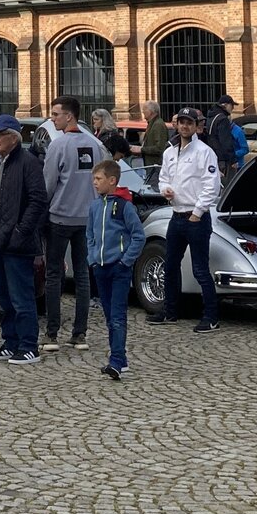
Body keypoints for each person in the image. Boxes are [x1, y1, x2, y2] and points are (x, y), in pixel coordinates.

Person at [0, 115, 45, 364]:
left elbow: (39, 199)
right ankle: (11, 341)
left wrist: (21, 232)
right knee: (5, 296)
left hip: (17, 241)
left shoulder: (27, 162)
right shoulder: (2, 161)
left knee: (21, 297)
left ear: (13, 137)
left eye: (0, 133)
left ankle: (28, 345)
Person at [150, 107, 220, 332]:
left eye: (189, 123)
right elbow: (163, 179)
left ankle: (210, 316)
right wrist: (166, 190)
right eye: (181, 122)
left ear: (196, 125)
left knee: (200, 269)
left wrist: (197, 213)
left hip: (196, 217)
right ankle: (170, 311)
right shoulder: (170, 152)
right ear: (176, 124)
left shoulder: (204, 151)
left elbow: (212, 185)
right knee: (169, 265)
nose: (185, 126)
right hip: (176, 214)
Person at [40, 98, 102, 351]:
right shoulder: (95, 145)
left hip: (61, 217)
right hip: (86, 217)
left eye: (56, 114)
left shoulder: (59, 145)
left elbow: (48, 184)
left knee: (54, 275)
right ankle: (80, 334)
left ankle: (52, 333)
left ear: (70, 117)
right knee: (82, 276)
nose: (53, 119)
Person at [87, 157, 145, 380]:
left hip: (119, 268)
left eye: (98, 179)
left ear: (112, 181)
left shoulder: (124, 207)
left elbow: (138, 236)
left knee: (118, 315)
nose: (95, 182)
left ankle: (116, 361)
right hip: (100, 268)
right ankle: (119, 357)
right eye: (94, 179)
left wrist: (125, 261)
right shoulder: (94, 206)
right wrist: (92, 258)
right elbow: (90, 235)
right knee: (110, 316)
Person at [205, 95, 240, 179]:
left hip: (212, 155)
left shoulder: (211, 116)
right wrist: (233, 160)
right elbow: (226, 141)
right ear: (226, 105)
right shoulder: (222, 119)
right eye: (232, 105)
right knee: (227, 184)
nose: (233, 108)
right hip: (222, 159)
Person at [140, 104, 168, 172]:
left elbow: (160, 148)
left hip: (155, 167)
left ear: (151, 111)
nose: (143, 112)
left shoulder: (158, 124)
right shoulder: (152, 124)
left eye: (144, 110)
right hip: (152, 165)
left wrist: (142, 150)